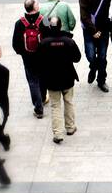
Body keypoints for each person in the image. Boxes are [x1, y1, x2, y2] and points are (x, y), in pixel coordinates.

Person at [34, 14, 80, 145]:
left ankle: (58, 133)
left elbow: (38, 61)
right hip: (67, 77)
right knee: (69, 102)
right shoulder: (68, 41)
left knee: (55, 106)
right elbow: (77, 58)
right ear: (60, 26)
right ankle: (70, 127)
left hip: (52, 79)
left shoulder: (44, 43)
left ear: (50, 26)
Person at [79, 0, 112, 91]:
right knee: (91, 55)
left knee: (102, 56)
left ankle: (101, 80)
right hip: (89, 30)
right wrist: (93, 31)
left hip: (104, 28)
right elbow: (84, 15)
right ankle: (93, 68)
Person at [11, 0, 46, 118]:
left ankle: (38, 108)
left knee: (32, 82)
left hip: (28, 59)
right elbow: (50, 36)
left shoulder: (19, 23)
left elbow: (15, 44)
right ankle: (43, 97)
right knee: (42, 79)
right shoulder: (44, 20)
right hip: (42, 57)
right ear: (35, 8)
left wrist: (23, 53)